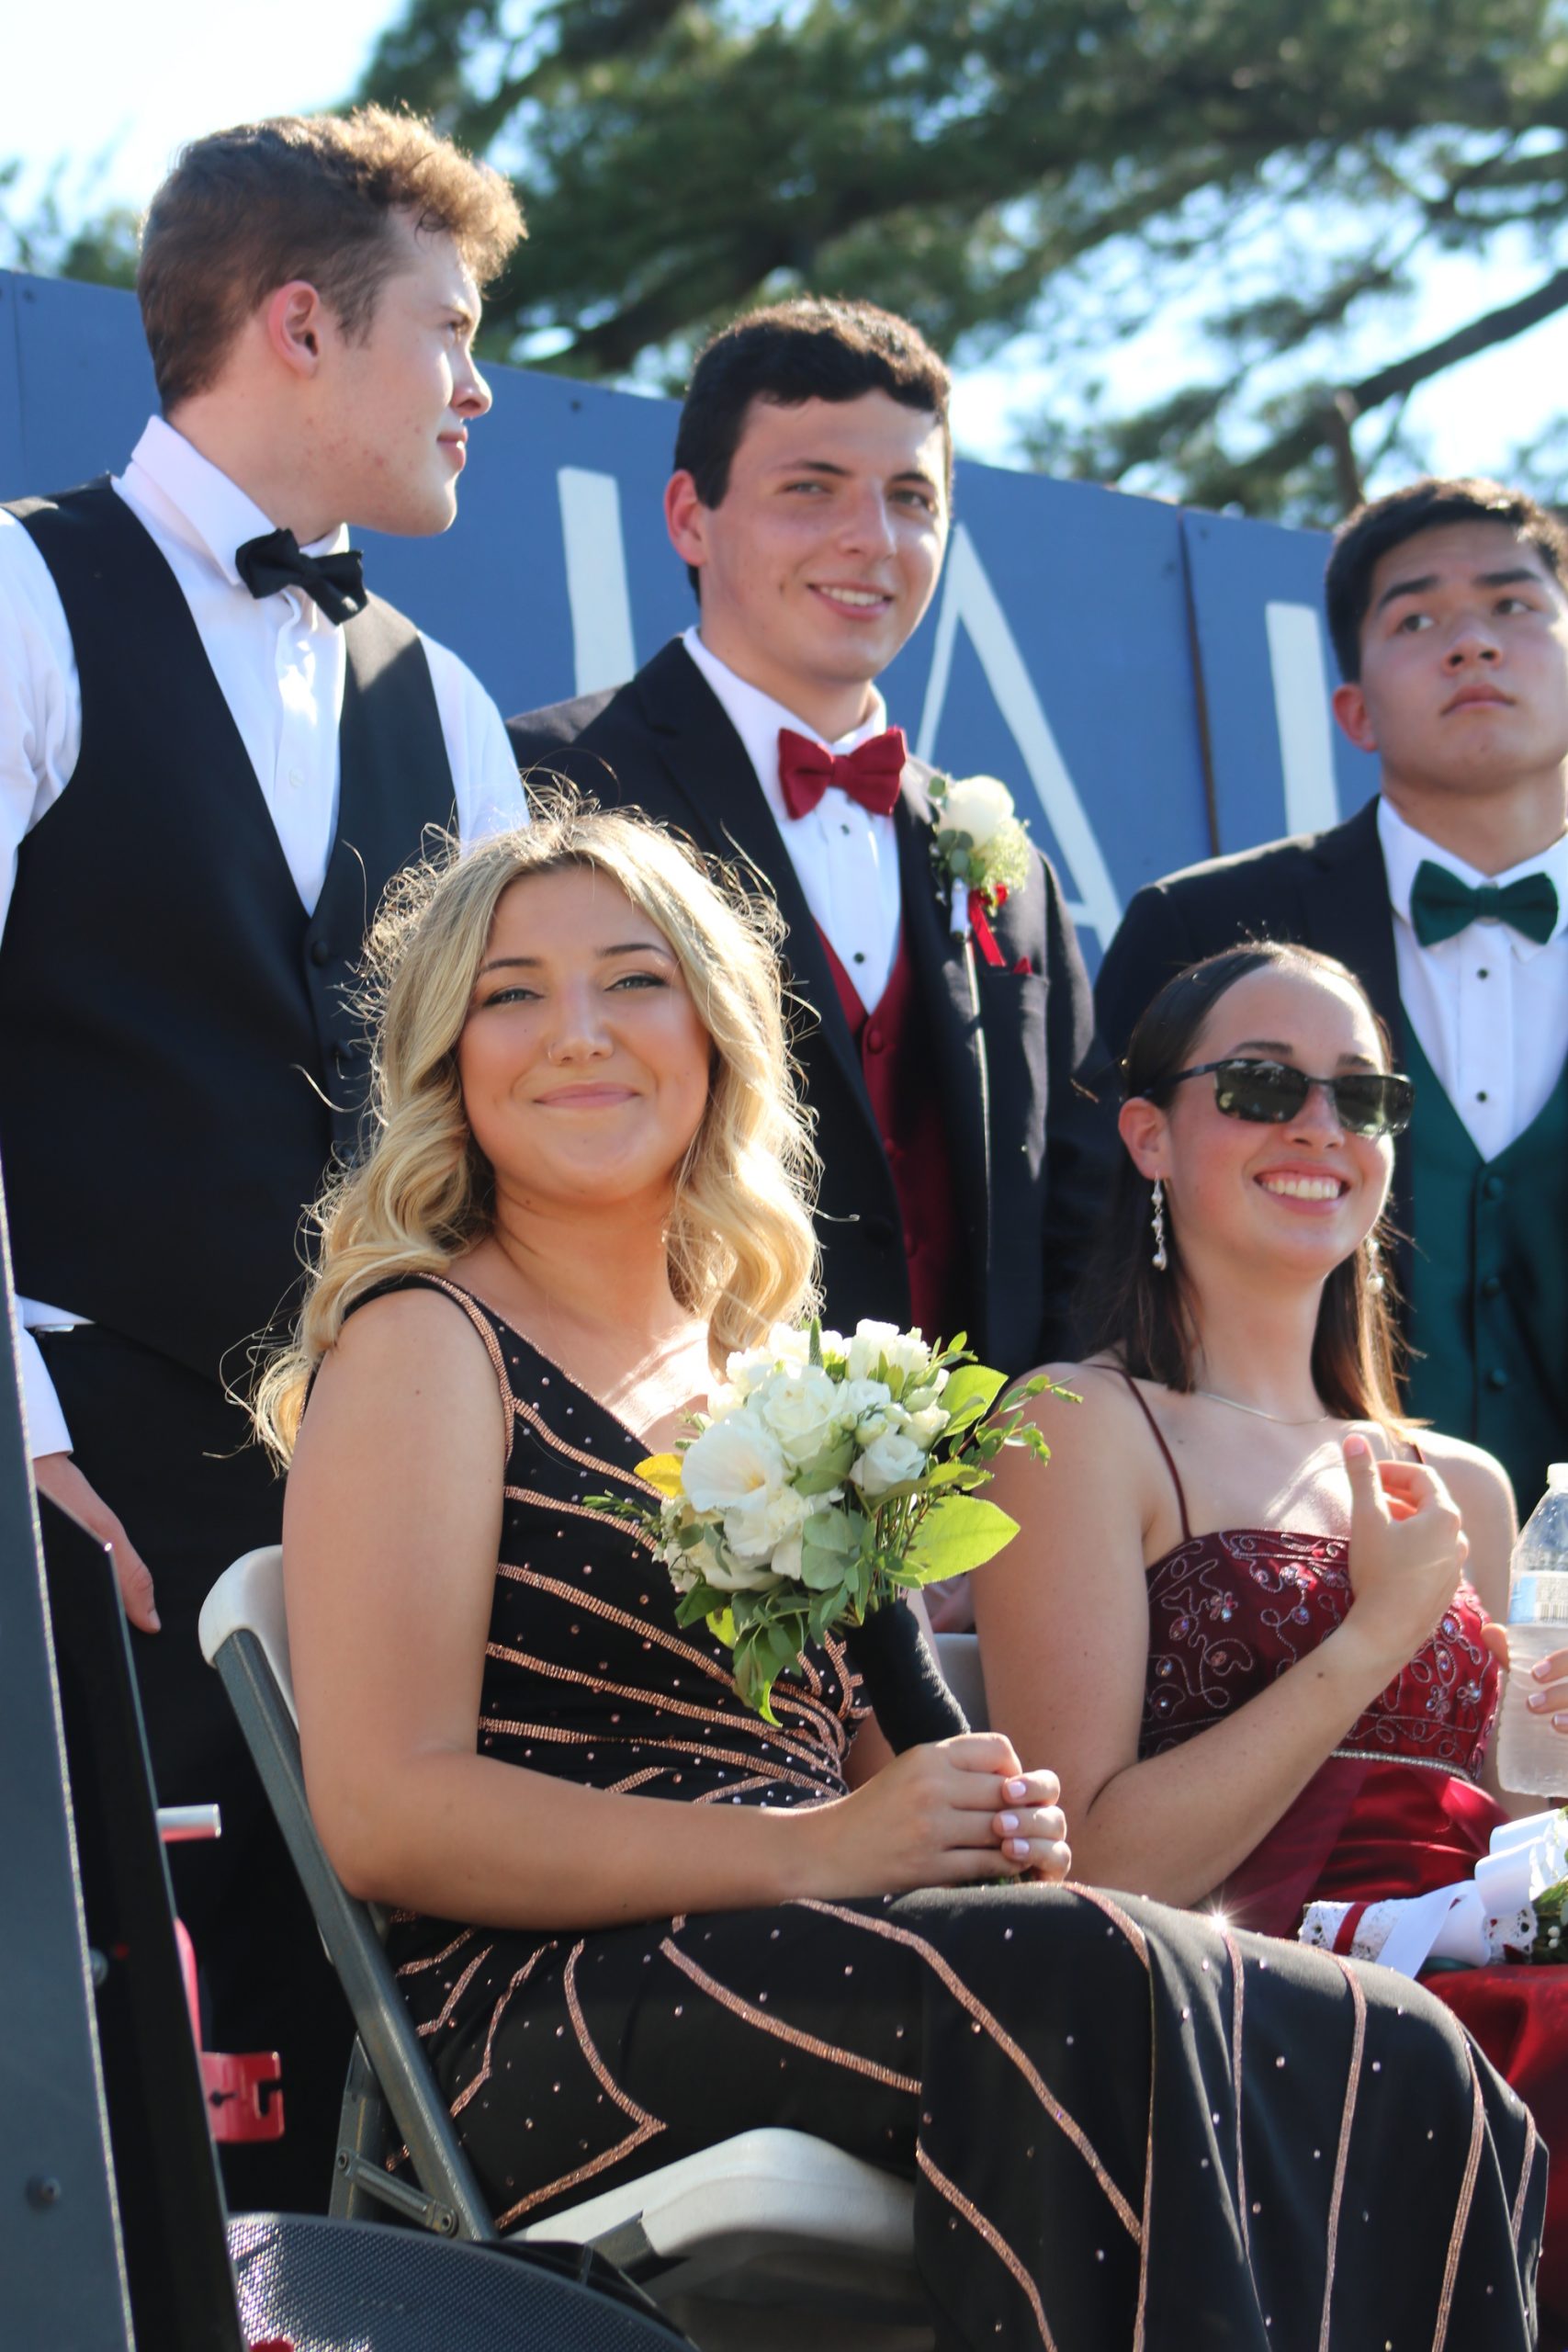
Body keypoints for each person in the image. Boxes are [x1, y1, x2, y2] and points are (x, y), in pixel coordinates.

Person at [259, 808, 1542, 2349]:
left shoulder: (767, 1375)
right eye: (510, 993)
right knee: (1082, 1975)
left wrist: (970, 1817)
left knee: (1397, 2045)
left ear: (718, 1034)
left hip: (834, 1944)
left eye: (633, 981)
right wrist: (821, 1849)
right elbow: (389, 1817)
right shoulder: (425, 1340)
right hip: (545, 2010)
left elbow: (893, 1768)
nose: (577, 1035)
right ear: (447, 1056)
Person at [0, 107, 525, 2208]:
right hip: (82, 1481)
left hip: (396, 1532)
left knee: (353, 2108)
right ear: (301, 326)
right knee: (100, 2115)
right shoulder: (26, 596)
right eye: (452, 332)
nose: (477, 386)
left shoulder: (459, 708)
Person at [974, 938, 1568, 2331]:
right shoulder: (1070, 1426)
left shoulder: (1464, 1482)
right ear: (1146, 1136)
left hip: (1483, 1981)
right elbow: (1094, 1867)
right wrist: (1368, 1641)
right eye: (1259, 1085)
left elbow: (1510, 1835)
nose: (1318, 1127)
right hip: (1250, 2018)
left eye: (1358, 1099)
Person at [508, 296, 1110, 1385]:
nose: (871, 540)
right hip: (659, 1477)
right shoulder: (549, 787)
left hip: (980, 1516)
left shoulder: (1005, 868)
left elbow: (1077, 1202)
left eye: (910, 499)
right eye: (811, 489)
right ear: (690, 516)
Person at [1094, 477, 1568, 1521]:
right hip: (1285, 1567)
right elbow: (1100, 1242)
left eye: (1514, 605)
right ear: (1352, 706)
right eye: (1417, 617)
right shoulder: (1196, 926)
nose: (1473, 643)